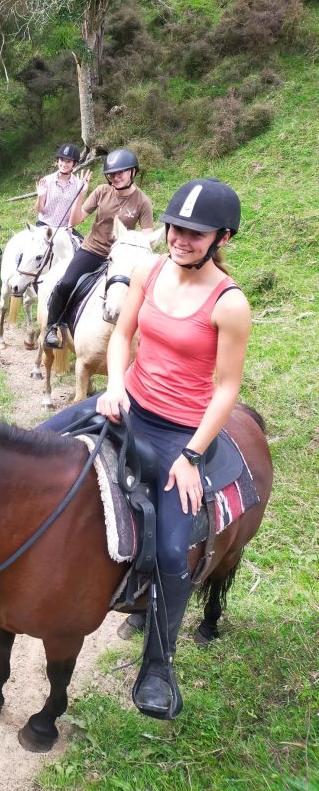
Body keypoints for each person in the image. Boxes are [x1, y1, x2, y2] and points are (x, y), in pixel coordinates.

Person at [40, 178, 248, 720]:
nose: (181, 238)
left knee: (174, 552)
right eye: (177, 228)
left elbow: (226, 388)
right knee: (35, 445)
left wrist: (193, 455)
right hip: (126, 402)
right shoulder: (151, 270)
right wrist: (113, 386)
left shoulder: (229, 303)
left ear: (220, 237)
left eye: (195, 234)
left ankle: (158, 664)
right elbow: (121, 335)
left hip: (179, 431)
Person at [44, 147, 153, 347]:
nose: (116, 177)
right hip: (93, 250)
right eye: (112, 174)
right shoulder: (102, 191)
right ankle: (51, 326)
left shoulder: (143, 202)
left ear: (133, 172)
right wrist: (80, 196)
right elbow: (75, 220)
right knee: (66, 283)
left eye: (121, 172)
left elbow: (146, 238)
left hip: (121, 258)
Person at [35, 143, 85, 229]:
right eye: (62, 160)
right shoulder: (47, 180)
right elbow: (39, 210)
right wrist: (40, 196)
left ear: (74, 164)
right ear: (58, 161)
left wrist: (82, 193)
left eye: (68, 161)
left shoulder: (78, 184)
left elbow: (76, 214)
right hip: (45, 226)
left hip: (64, 229)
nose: (64, 164)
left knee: (82, 242)